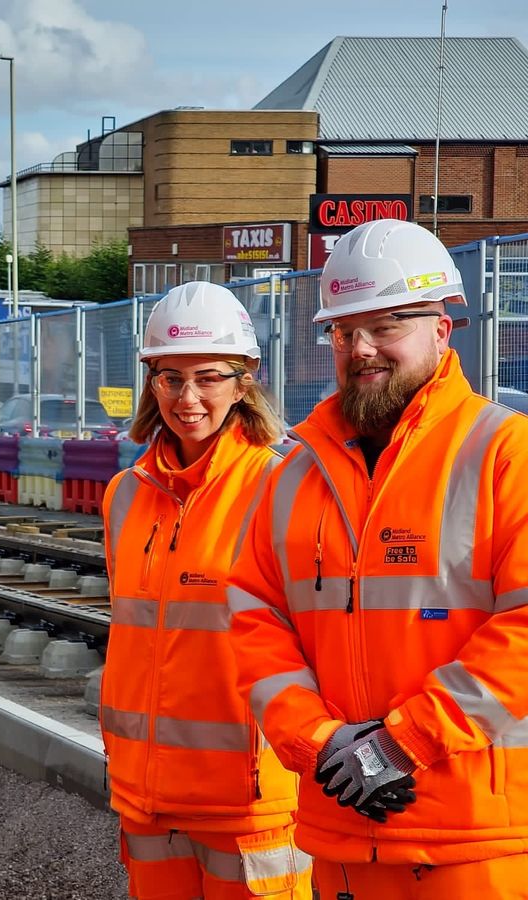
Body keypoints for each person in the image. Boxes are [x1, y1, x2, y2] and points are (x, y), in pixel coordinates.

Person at [229, 218, 528, 898]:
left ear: (441, 329)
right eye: (343, 330)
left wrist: (403, 742)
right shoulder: (292, 478)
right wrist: (319, 741)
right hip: (341, 841)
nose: (361, 348)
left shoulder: (506, 455)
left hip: (475, 846)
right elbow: (253, 623)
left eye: (388, 323)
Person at [100, 282, 309, 899]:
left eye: (209, 377)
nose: (187, 398)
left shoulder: (284, 486)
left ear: (244, 381)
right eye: (170, 378)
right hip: (147, 797)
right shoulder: (125, 494)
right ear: (151, 380)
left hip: (248, 802)